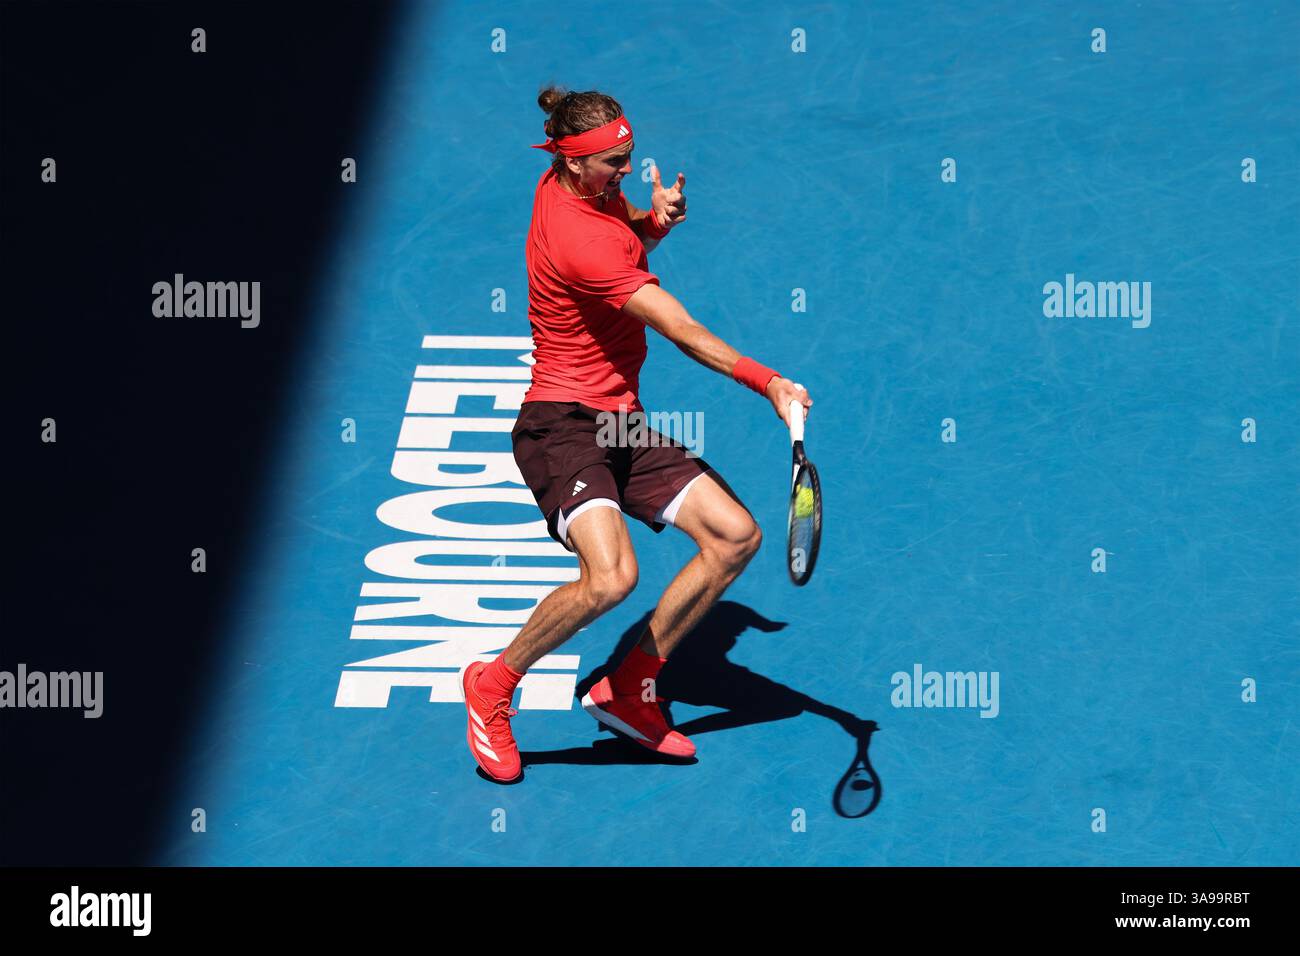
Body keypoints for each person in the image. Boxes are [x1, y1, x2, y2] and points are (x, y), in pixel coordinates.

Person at [461, 86, 812, 782]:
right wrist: (768, 381)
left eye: (628, 155)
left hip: (620, 421)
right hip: (561, 426)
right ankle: (493, 685)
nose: (625, 169)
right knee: (612, 577)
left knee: (735, 536)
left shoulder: (577, 193)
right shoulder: (579, 238)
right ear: (573, 161)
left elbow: (620, 235)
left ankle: (628, 687)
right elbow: (679, 328)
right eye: (614, 163)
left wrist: (652, 222)